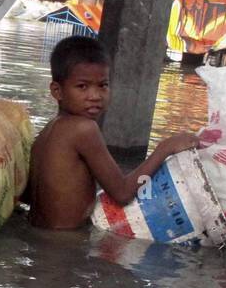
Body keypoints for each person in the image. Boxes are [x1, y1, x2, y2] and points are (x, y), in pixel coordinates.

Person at [27, 36, 201, 230]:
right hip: (66, 247)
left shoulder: (47, 132)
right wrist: (166, 147)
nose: (95, 96)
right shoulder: (83, 129)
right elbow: (123, 193)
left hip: (40, 235)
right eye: (82, 86)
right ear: (57, 91)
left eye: (103, 85)